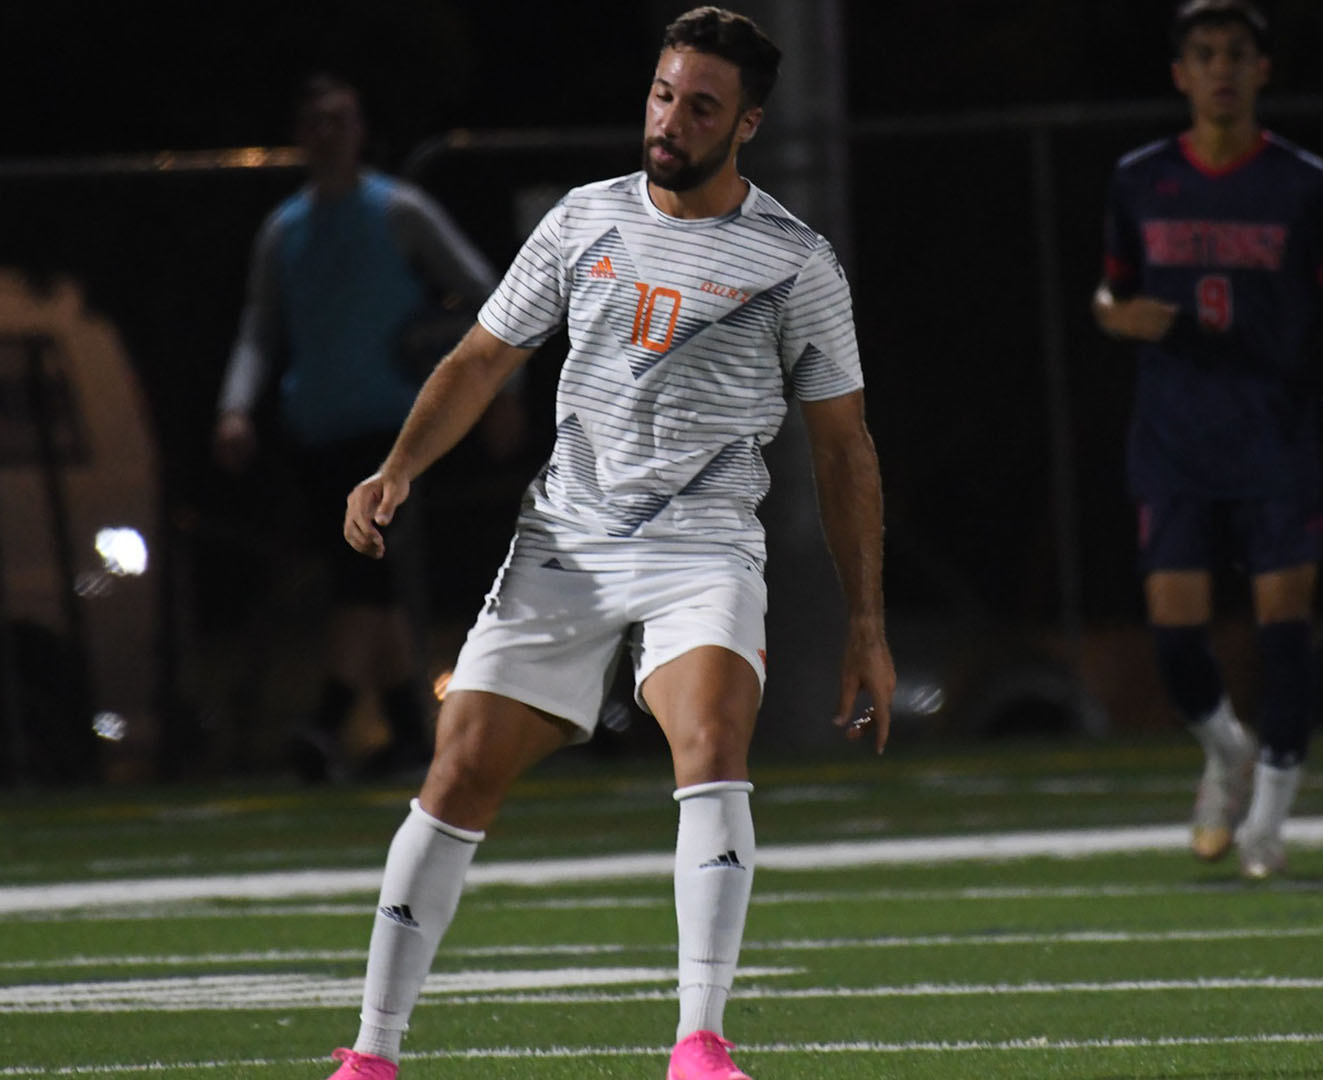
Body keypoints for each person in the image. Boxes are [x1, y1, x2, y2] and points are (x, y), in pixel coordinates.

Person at [325, 8, 893, 1079]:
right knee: (457, 772)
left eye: (702, 106)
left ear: (750, 123)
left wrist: (866, 622)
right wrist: (399, 467)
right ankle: (372, 1054)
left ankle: (699, 1044)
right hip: (568, 544)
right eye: (664, 95)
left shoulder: (793, 261)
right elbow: (481, 360)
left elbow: (843, 448)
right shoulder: (582, 220)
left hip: (704, 552)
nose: (672, 120)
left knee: (712, 743)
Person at [1093, 0, 1323, 880]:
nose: (1221, 68)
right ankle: (1225, 750)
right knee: (1175, 639)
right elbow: (1108, 296)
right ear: (1179, 74)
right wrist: (1121, 317)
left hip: (1276, 433)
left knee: (1285, 627)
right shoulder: (1139, 179)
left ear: (1262, 71)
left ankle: (1267, 821)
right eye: (1204, 53)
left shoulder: (1303, 183)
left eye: (1237, 53)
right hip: (1175, 436)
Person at [213, 74, 511, 781]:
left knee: (358, 580)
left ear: (360, 130)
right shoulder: (284, 229)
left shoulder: (399, 211)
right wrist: (235, 407)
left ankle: (324, 721)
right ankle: (410, 731)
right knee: (370, 588)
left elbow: (493, 295)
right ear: (299, 135)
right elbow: (259, 327)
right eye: (316, 121)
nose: (329, 134)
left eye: (341, 120)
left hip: (393, 430)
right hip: (316, 431)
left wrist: (500, 386)